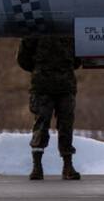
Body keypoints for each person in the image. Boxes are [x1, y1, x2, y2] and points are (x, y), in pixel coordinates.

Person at [17, 34, 81, 180]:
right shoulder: (36, 32)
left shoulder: (69, 32)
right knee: (42, 124)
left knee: (65, 125)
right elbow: (23, 59)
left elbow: (77, 60)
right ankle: (37, 167)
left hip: (63, 87)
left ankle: (67, 166)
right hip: (43, 88)